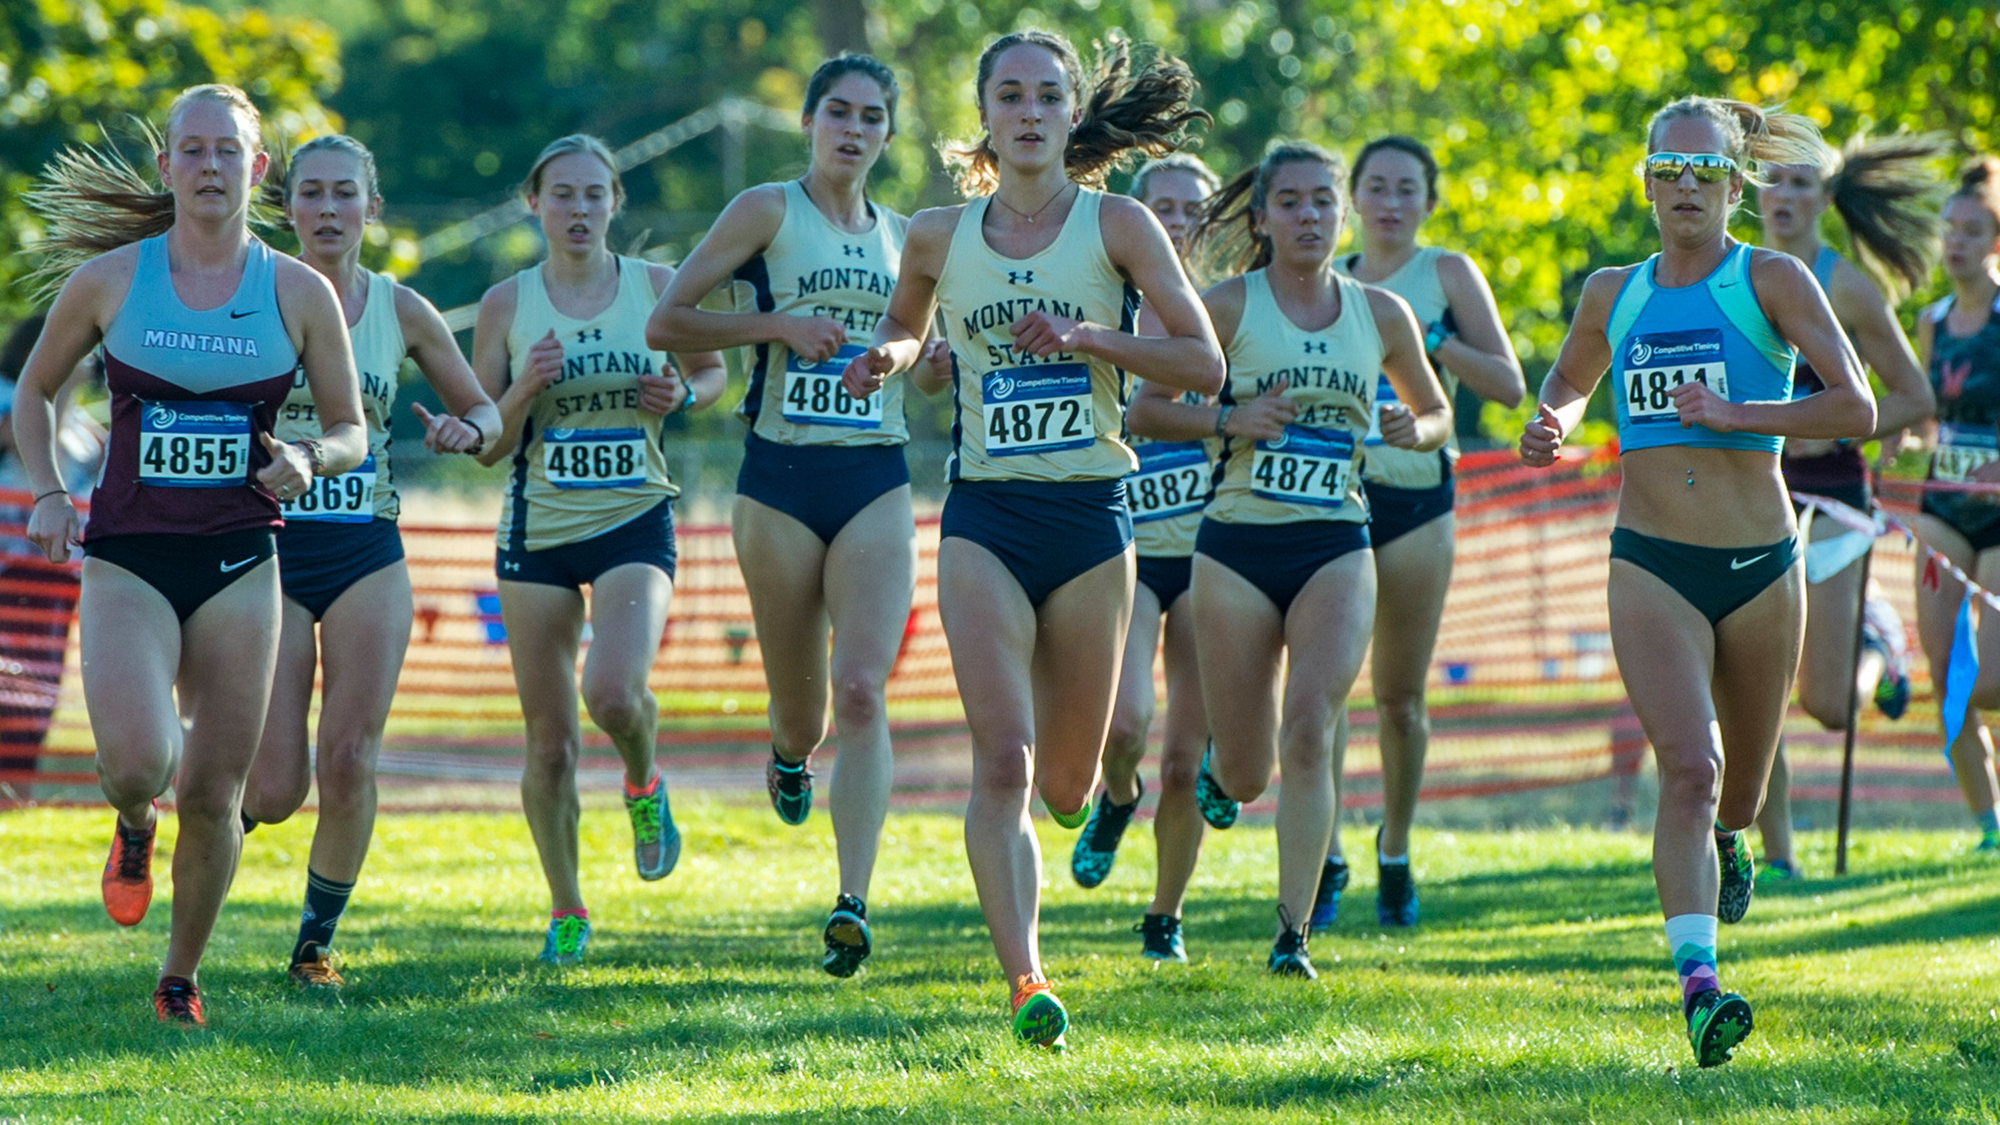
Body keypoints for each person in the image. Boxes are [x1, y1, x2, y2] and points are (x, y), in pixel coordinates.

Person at [841, 30, 1221, 1048]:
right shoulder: (935, 235)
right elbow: (904, 328)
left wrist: (1090, 337)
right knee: (1000, 762)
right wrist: (882, 357)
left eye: (1045, 95)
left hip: (1094, 520)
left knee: (1063, 786)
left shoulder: (1119, 226)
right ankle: (1026, 979)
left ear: (1066, 115)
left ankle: (1094, 808)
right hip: (985, 517)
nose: (1026, 112)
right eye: (1007, 95)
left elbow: (1202, 366)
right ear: (985, 115)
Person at [1519, 97, 1874, 1068]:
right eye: (1666, 170)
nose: (1684, 186)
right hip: (1650, 561)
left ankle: (1729, 839)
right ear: (1643, 181)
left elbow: (1855, 405)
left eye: (1704, 171)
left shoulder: (1769, 277)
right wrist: (1548, 419)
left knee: (1741, 789)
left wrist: (1735, 410)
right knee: (1690, 767)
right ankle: (1698, 985)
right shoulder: (1611, 292)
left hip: (1762, 564)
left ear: (1734, 182)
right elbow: (1567, 379)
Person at [15, 84, 369, 1025]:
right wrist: (50, 491)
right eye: (192, 150)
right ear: (168, 165)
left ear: (257, 172)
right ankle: (133, 826)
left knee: (215, 791)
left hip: (242, 559)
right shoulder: (112, 280)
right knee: (139, 764)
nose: (210, 167)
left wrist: (307, 457)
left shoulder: (298, 291)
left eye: (228, 153)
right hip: (128, 554)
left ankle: (180, 977)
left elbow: (350, 431)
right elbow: (35, 391)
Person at [1146, 141, 1451, 979]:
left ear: (1340, 216)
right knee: (1246, 773)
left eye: (1324, 202)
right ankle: (1222, 766)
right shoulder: (1225, 308)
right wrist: (1226, 422)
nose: (1311, 216)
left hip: (1336, 542)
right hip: (1237, 546)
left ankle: (1293, 935)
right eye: (1293, 202)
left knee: (1312, 726)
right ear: (1263, 219)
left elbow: (1436, 412)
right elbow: (1145, 408)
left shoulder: (1381, 313)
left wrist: (1410, 430)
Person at [647, 54, 917, 978]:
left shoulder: (906, 236)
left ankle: (853, 901)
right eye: (837, 111)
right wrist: (778, 327)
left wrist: (905, 359)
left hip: (877, 477)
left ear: (888, 134)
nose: (853, 129)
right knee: (804, 711)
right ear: (808, 122)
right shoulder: (767, 210)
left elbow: (925, 332)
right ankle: (785, 751)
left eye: (871, 116)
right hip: (777, 481)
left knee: (864, 691)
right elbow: (669, 321)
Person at [238, 134, 505, 987]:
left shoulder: (404, 310)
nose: (326, 210)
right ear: (288, 209)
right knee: (274, 785)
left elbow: (487, 414)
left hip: (366, 552)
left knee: (349, 757)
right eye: (310, 193)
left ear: (371, 209)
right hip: (265, 554)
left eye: (343, 194)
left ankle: (314, 944)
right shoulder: (249, 294)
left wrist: (470, 429)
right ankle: (196, 832)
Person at [469, 134, 727, 965]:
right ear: (534, 204)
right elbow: (485, 442)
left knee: (614, 693)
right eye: (562, 195)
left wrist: (683, 391)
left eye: (594, 195)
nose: (578, 210)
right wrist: (520, 389)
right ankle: (567, 907)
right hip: (537, 531)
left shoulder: (654, 288)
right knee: (549, 743)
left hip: (634, 518)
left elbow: (714, 373)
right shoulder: (506, 304)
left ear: (616, 203)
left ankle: (645, 784)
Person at [1323, 135, 1524, 929]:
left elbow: (1509, 386)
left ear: (1428, 201)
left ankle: (1395, 849)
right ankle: (1327, 852)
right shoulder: (1325, 279)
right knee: (1323, 693)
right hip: (1333, 502)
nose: (1391, 201)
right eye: (1376, 186)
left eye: (1408, 188)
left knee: (1398, 698)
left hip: (1417, 502)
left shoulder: (1446, 273)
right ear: (1354, 198)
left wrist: (1427, 342)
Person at [1753, 131, 1944, 877]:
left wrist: (1822, 425)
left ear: (1825, 200)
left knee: (1828, 706)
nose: (1788, 196)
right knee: (1751, 682)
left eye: (1804, 184)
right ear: (1755, 193)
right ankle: (1778, 856)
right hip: (1750, 496)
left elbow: (1913, 397)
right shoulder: (1732, 276)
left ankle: (1880, 651)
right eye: (1776, 181)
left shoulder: (1849, 286)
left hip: (1833, 499)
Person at [1063, 153, 1221, 967]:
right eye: (1163, 204)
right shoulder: (1101, 292)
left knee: (1186, 753)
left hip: (1210, 554)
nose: (1178, 218)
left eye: (1192, 207)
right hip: (1126, 538)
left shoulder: (1228, 310)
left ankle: (1165, 914)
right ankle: (1117, 799)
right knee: (1122, 724)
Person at [1911, 156, 2000, 853]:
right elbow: (1923, 413)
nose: (1956, 243)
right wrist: (1900, 440)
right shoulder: (1932, 321)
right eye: (1950, 230)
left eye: (1972, 231)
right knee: (1948, 680)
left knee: (1991, 681)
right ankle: (1988, 827)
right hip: (1942, 502)